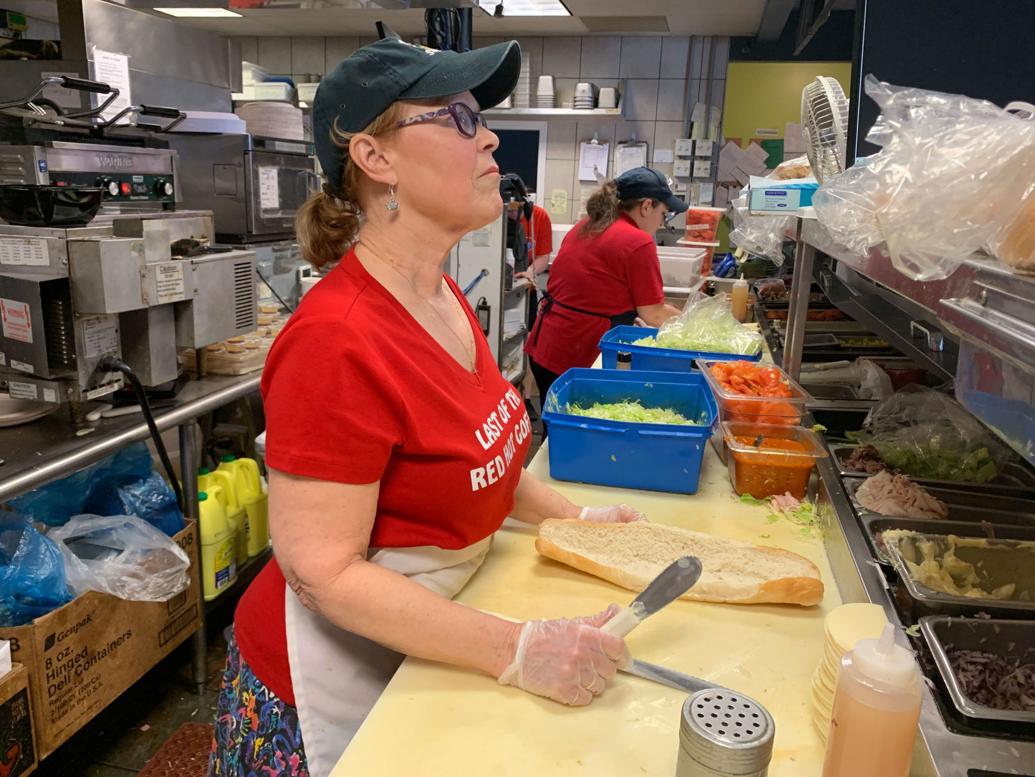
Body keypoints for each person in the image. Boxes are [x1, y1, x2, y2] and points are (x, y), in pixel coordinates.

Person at [208, 38, 643, 777]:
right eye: (460, 117)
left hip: (420, 651)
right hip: (315, 692)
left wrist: (576, 522)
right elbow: (322, 570)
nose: (491, 136)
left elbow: (486, 457)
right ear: (376, 159)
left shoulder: (439, 295)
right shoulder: (336, 341)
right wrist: (518, 649)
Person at [524, 167, 688, 402]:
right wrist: (695, 325)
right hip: (582, 357)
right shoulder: (638, 242)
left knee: (558, 432)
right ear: (646, 206)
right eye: (664, 213)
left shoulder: (587, 225)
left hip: (547, 350)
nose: (662, 223)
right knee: (583, 434)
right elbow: (653, 314)